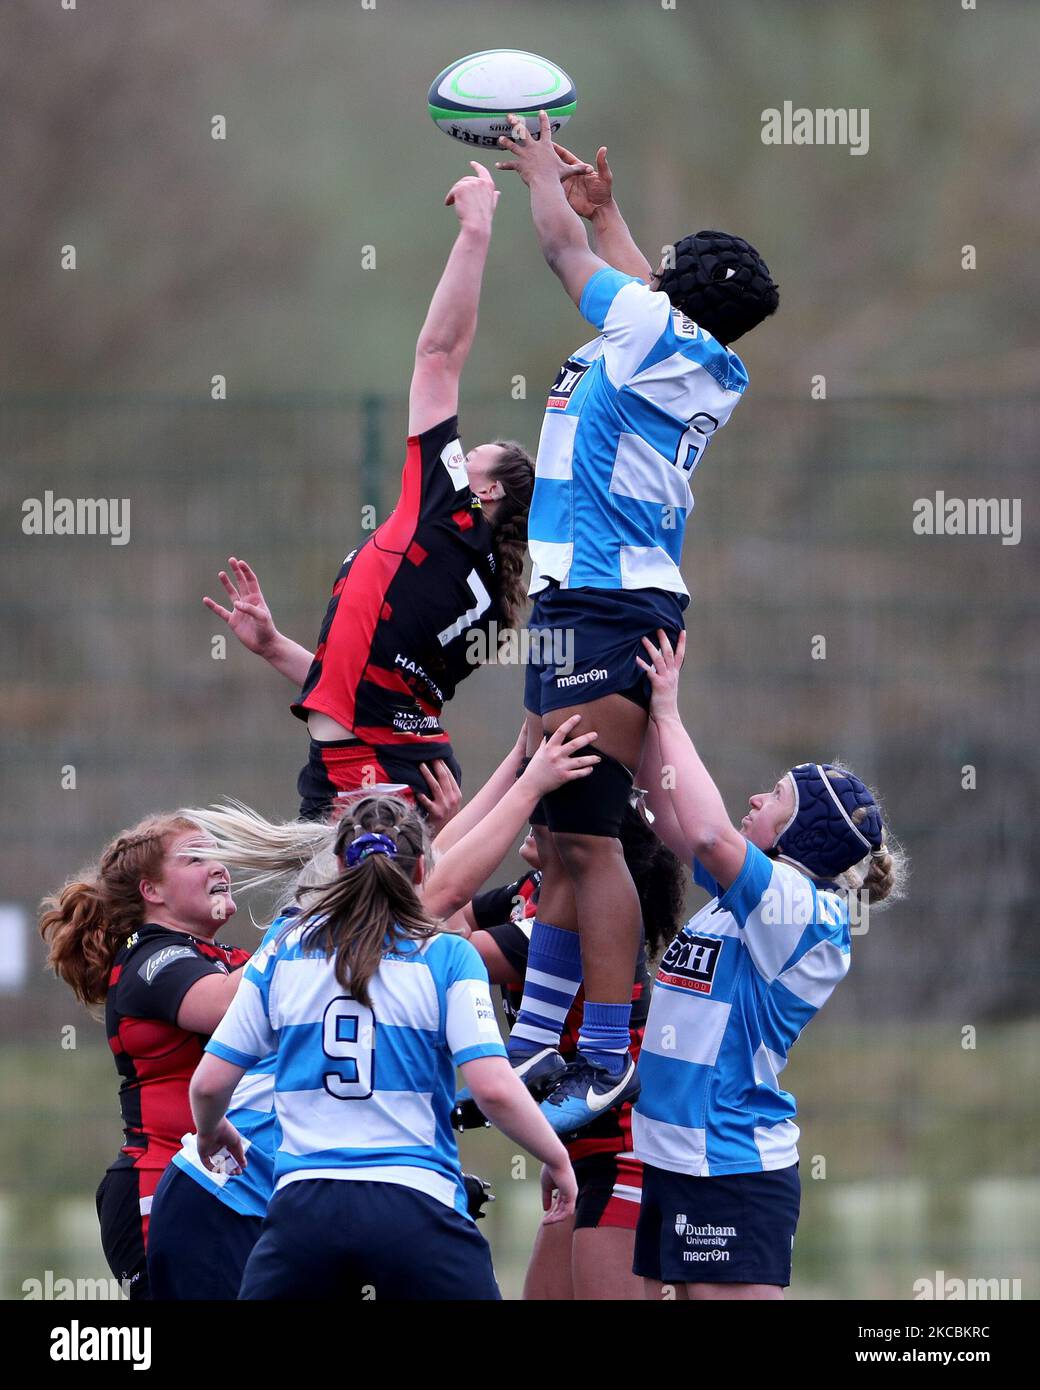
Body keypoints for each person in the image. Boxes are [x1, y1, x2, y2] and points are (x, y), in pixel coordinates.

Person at [494, 116, 780, 1132]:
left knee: (597, 836)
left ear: (669, 294)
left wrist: (536, 174)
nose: (638, 267)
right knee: (560, 829)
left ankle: (608, 1048)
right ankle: (537, 1038)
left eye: (655, 267)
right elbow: (617, 269)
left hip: (609, 603)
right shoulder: (683, 345)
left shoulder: (650, 333)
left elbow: (562, 255)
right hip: (584, 594)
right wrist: (607, 207)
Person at [147, 718, 598, 1298]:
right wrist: (555, 1158)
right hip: (413, 1204)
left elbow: (209, 1083)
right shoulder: (445, 957)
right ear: (416, 868)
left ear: (338, 866)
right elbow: (493, 1088)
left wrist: (212, 1133)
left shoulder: (286, 949)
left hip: (302, 1209)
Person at [205, 161, 546, 822]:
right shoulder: (488, 593)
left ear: (492, 489)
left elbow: (438, 355)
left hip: (369, 776)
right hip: (382, 765)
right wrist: (277, 647)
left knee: (343, 925)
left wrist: (476, 231)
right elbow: (376, 688)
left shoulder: (451, 509)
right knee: (362, 924)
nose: (461, 449)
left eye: (474, 454)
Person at [632, 630, 906, 1299]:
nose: (755, 800)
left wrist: (669, 712)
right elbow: (670, 817)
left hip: (731, 1166)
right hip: (676, 1158)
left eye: (775, 796)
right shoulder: (747, 901)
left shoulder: (803, 911)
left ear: (803, 834)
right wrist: (628, 708)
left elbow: (703, 831)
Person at [451, 806, 685, 1300]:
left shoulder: (577, 919)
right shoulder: (532, 891)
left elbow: (441, 948)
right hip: (579, 1154)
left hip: (626, 1157)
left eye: (560, 813)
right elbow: (445, 907)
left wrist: (445, 840)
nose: (538, 815)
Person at [38, 815, 250, 1299]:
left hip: (220, 1190)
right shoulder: (150, 959)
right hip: (157, 1192)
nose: (218, 866)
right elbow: (223, 1005)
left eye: (216, 854)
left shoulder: (228, 959)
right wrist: (308, 927)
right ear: (151, 890)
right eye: (195, 857)